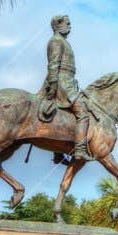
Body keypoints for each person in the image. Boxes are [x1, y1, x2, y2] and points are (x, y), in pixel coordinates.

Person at [40, 15, 92, 160]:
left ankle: (58, 152)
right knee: (82, 113)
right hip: (62, 82)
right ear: (57, 25)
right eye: (67, 24)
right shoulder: (56, 41)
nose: (70, 26)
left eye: (70, 24)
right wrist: (54, 85)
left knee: (64, 115)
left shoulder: (63, 41)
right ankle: (80, 150)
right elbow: (53, 64)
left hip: (68, 81)